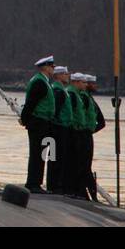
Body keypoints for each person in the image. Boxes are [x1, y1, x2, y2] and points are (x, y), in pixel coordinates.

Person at [19, 55, 57, 192]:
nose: (54, 69)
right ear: (45, 67)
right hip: (39, 122)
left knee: (41, 153)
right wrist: (25, 119)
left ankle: (36, 182)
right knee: (37, 154)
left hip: (42, 121)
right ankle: (33, 183)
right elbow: (31, 104)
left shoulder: (43, 81)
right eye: (52, 67)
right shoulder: (40, 82)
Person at [81, 74, 107, 201]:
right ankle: (88, 194)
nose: (95, 86)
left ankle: (88, 194)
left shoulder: (88, 99)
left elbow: (101, 123)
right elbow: (101, 122)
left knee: (84, 166)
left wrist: (88, 132)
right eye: (93, 84)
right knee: (84, 166)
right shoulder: (86, 99)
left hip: (85, 135)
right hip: (84, 135)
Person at [47, 65, 73, 193]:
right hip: (58, 128)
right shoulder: (58, 91)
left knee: (59, 157)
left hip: (62, 127)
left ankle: (57, 184)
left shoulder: (62, 90)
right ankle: (54, 185)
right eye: (64, 73)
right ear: (57, 76)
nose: (67, 76)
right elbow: (55, 110)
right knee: (55, 157)